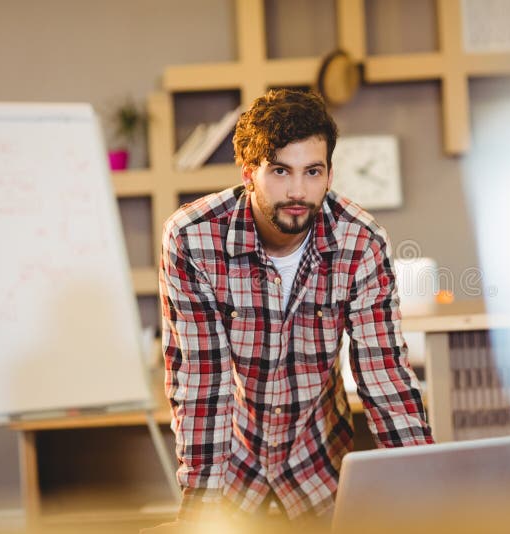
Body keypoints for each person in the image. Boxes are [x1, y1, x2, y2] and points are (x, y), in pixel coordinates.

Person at [155, 88, 433, 530]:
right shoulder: (192, 239)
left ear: (329, 174)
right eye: (281, 171)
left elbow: (384, 375)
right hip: (230, 460)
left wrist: (425, 495)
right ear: (249, 173)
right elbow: (202, 384)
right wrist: (202, 511)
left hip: (318, 458)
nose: (299, 191)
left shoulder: (361, 243)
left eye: (313, 171)